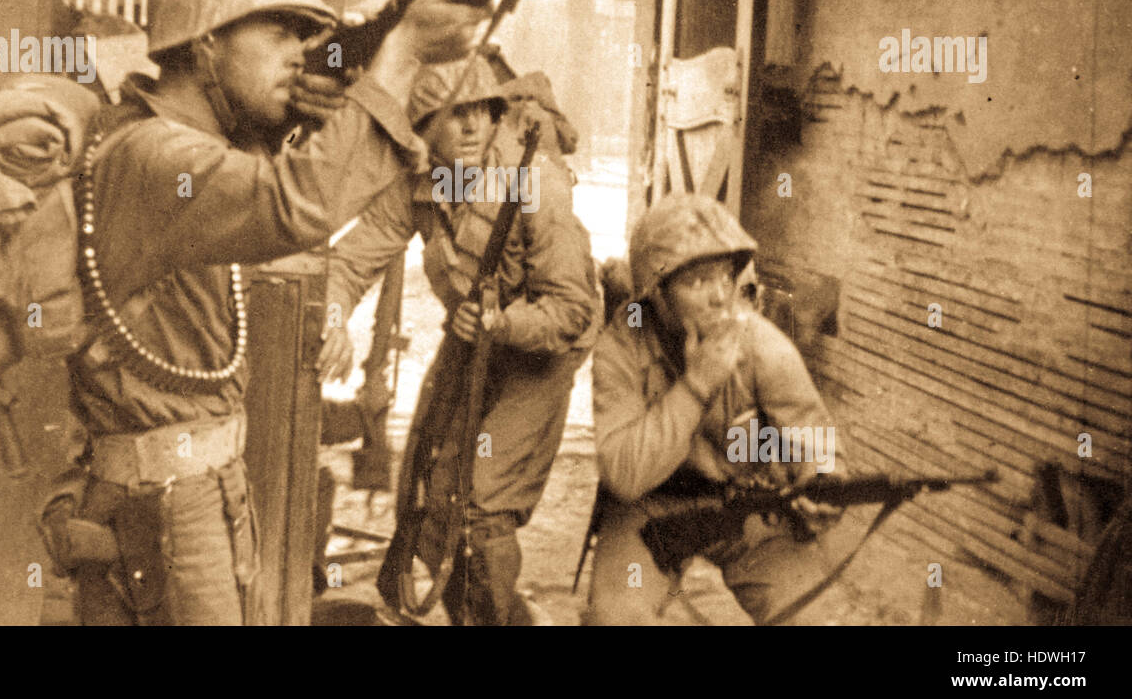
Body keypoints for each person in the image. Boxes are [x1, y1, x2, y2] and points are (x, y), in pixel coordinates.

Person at [47, 0, 489, 625]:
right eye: (279, 32)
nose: (301, 53)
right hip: (164, 504)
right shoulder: (157, 159)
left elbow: (269, 186)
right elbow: (296, 203)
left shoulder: (189, 144)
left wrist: (298, 124)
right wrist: (401, 51)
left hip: (196, 490)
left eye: (307, 35)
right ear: (206, 44)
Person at [316, 54, 601, 625]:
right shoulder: (418, 185)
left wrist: (505, 324)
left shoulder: (533, 182)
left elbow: (574, 309)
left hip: (539, 354)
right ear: (424, 129)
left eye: (481, 111)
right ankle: (491, 614)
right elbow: (351, 260)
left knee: (481, 506)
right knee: (424, 489)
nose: (471, 127)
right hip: (472, 342)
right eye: (454, 115)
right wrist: (332, 317)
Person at [587, 193, 845, 625]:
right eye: (697, 282)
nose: (719, 297)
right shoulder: (621, 347)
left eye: (725, 277)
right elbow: (624, 474)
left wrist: (823, 478)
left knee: (815, 618)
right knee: (615, 617)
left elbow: (813, 434)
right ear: (658, 295)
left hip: (746, 505)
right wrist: (698, 383)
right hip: (649, 509)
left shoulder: (761, 344)